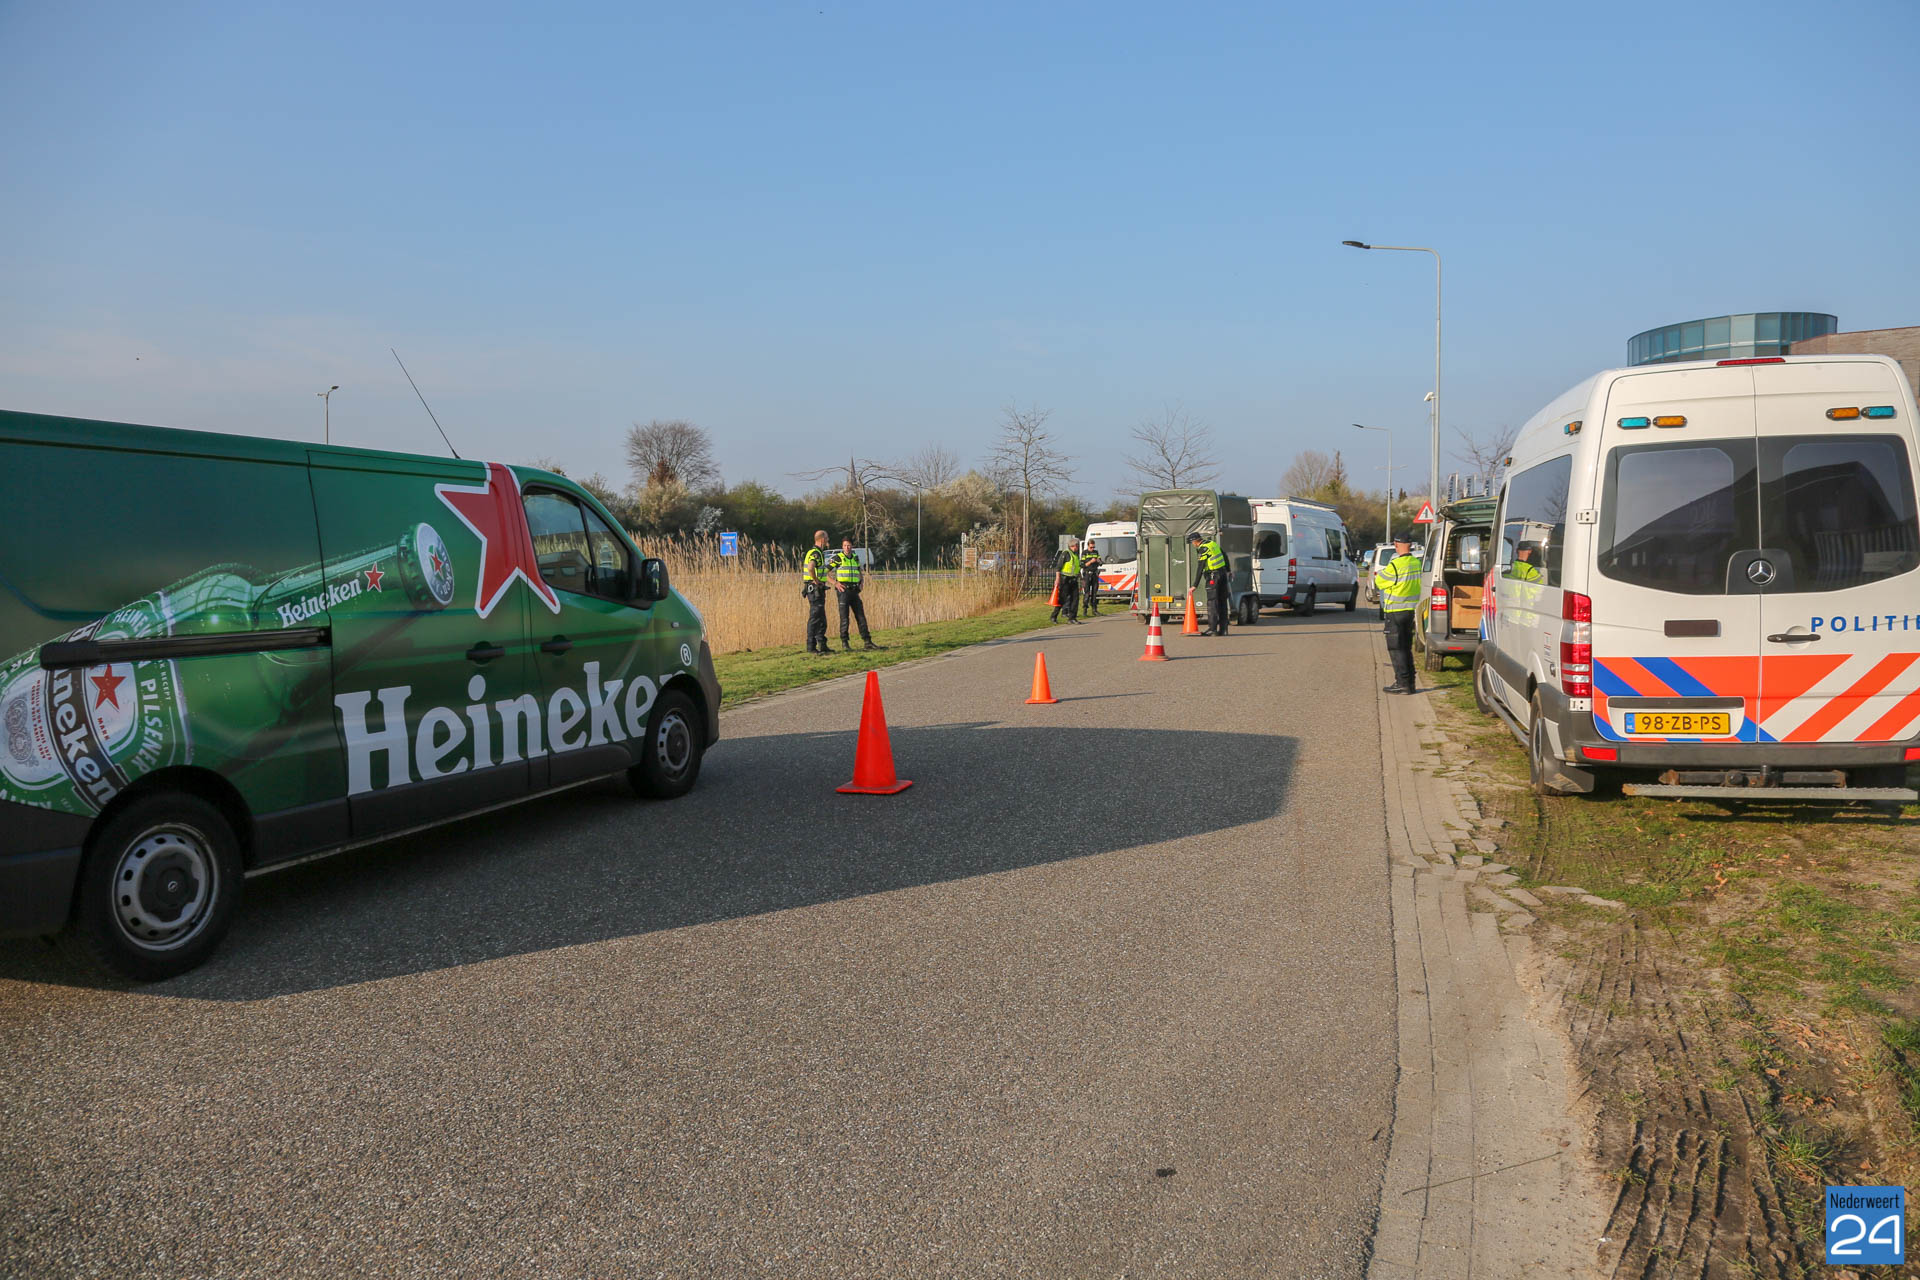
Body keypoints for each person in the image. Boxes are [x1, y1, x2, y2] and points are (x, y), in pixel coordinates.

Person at [1375, 532, 1423, 693]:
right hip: (1410, 611)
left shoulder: (1396, 565)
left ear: (1396, 544)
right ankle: (1410, 683)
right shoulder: (1416, 563)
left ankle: (1401, 683)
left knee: (1396, 648)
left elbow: (1379, 581)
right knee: (1406, 647)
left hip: (1395, 611)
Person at [830, 538, 883, 652]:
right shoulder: (838, 558)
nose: (847, 548)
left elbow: (859, 571)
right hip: (843, 591)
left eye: (849, 545)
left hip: (854, 590)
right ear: (842, 546)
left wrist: (862, 582)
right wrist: (835, 583)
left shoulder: (855, 557)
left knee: (861, 616)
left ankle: (867, 641)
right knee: (845, 618)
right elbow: (824, 572)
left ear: (852, 546)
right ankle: (845, 643)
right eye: (845, 546)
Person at [1188, 530, 1229, 636]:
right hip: (1223, 574)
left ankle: (1213, 629)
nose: (1193, 545)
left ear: (1195, 541)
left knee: (1212, 603)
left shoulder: (1203, 549)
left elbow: (1200, 567)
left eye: (1192, 543)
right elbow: (1224, 555)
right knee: (1222, 602)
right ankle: (1224, 629)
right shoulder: (1212, 543)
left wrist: (1194, 585)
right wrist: (1228, 570)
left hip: (1213, 576)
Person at [801, 529, 832, 655]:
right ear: (822, 539)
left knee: (821, 618)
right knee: (815, 618)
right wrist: (817, 580)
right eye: (827, 538)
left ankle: (822, 644)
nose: (828, 540)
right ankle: (811, 646)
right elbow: (810, 567)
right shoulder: (816, 553)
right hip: (814, 590)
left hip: (816, 590)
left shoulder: (816, 552)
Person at [1050, 541, 1082, 624]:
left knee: (1075, 599)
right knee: (1062, 599)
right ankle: (1054, 616)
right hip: (1065, 580)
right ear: (1072, 546)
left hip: (1074, 580)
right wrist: (1057, 579)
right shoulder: (1066, 554)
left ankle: (1072, 618)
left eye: (1077, 546)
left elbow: (1077, 569)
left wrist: (1081, 579)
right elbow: (1058, 567)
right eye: (1076, 546)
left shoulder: (1075, 555)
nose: (1077, 547)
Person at [1079, 542, 1102, 616]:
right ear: (1088, 546)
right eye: (1091, 547)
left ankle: (1094, 610)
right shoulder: (1084, 553)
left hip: (1094, 574)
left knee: (1095, 593)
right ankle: (1085, 610)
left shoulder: (1096, 552)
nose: (1092, 549)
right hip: (1087, 574)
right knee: (1087, 593)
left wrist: (1099, 561)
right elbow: (1082, 565)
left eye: (1093, 547)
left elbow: (1101, 562)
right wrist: (1090, 562)